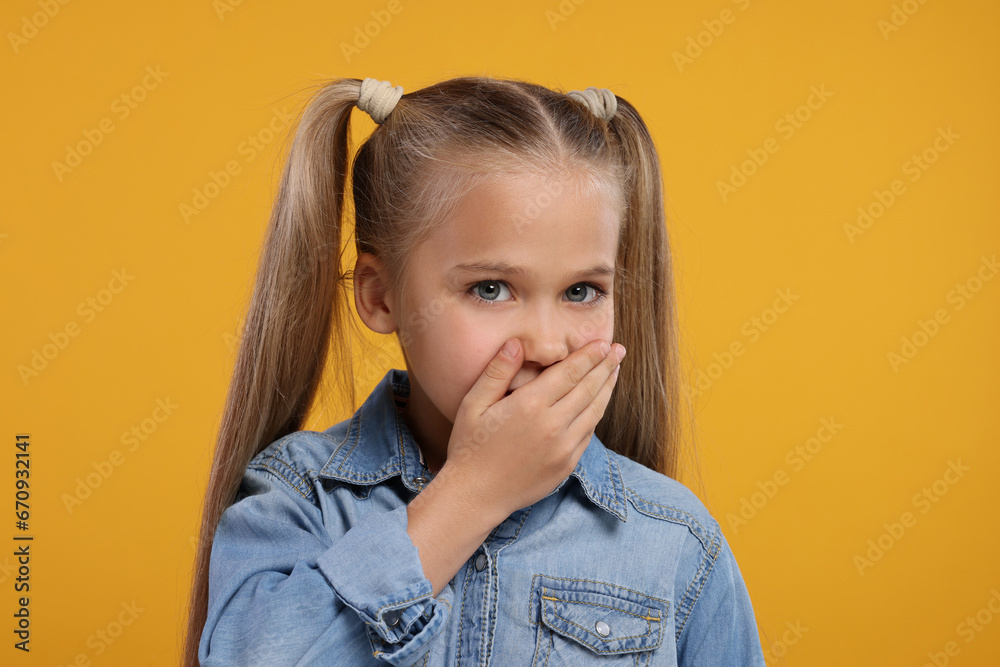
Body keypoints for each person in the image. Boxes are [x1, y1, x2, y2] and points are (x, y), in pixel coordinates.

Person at [183, 76, 767, 666]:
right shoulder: (297, 498)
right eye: (491, 289)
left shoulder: (674, 538)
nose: (546, 342)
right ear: (382, 297)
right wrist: (473, 491)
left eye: (583, 291)